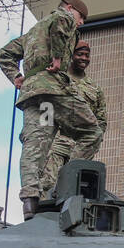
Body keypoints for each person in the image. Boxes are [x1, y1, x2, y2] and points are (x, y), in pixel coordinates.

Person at [0, 0, 95, 219]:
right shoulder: (62, 17)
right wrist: (58, 58)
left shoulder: (33, 31)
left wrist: (16, 77)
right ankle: (65, 183)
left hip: (34, 95)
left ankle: (30, 199)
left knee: (37, 143)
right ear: (70, 9)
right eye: (81, 17)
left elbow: (4, 54)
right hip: (53, 89)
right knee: (91, 131)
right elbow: (61, 27)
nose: (80, 23)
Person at [42, 40, 107, 194]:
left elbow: (101, 120)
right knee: (48, 187)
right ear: (70, 56)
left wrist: (91, 143)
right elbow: (45, 111)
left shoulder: (94, 88)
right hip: (57, 144)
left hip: (81, 148)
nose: (84, 58)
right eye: (79, 54)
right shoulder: (58, 79)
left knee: (74, 189)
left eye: (87, 55)